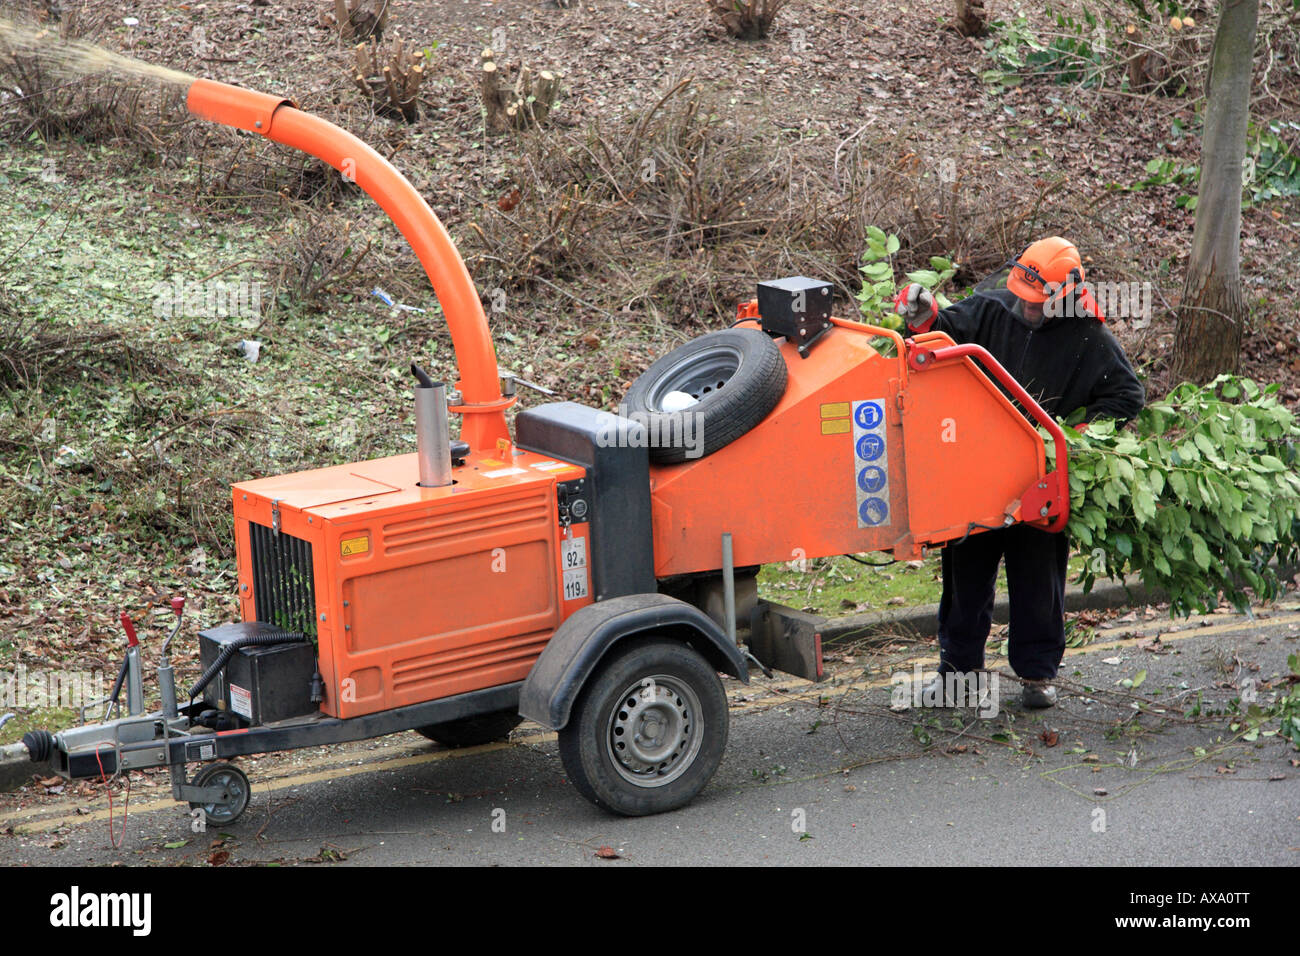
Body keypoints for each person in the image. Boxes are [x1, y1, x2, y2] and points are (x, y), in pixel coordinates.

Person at [893, 236, 1145, 708]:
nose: (1026, 310)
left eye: (1037, 304)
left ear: (1066, 294)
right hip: (977, 471)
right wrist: (921, 314)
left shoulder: (1089, 337)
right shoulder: (993, 308)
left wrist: (1074, 437)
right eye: (1023, 299)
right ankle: (958, 674)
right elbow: (940, 333)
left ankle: (1037, 675)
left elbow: (1127, 395)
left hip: (1039, 477)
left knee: (1037, 581)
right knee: (965, 577)